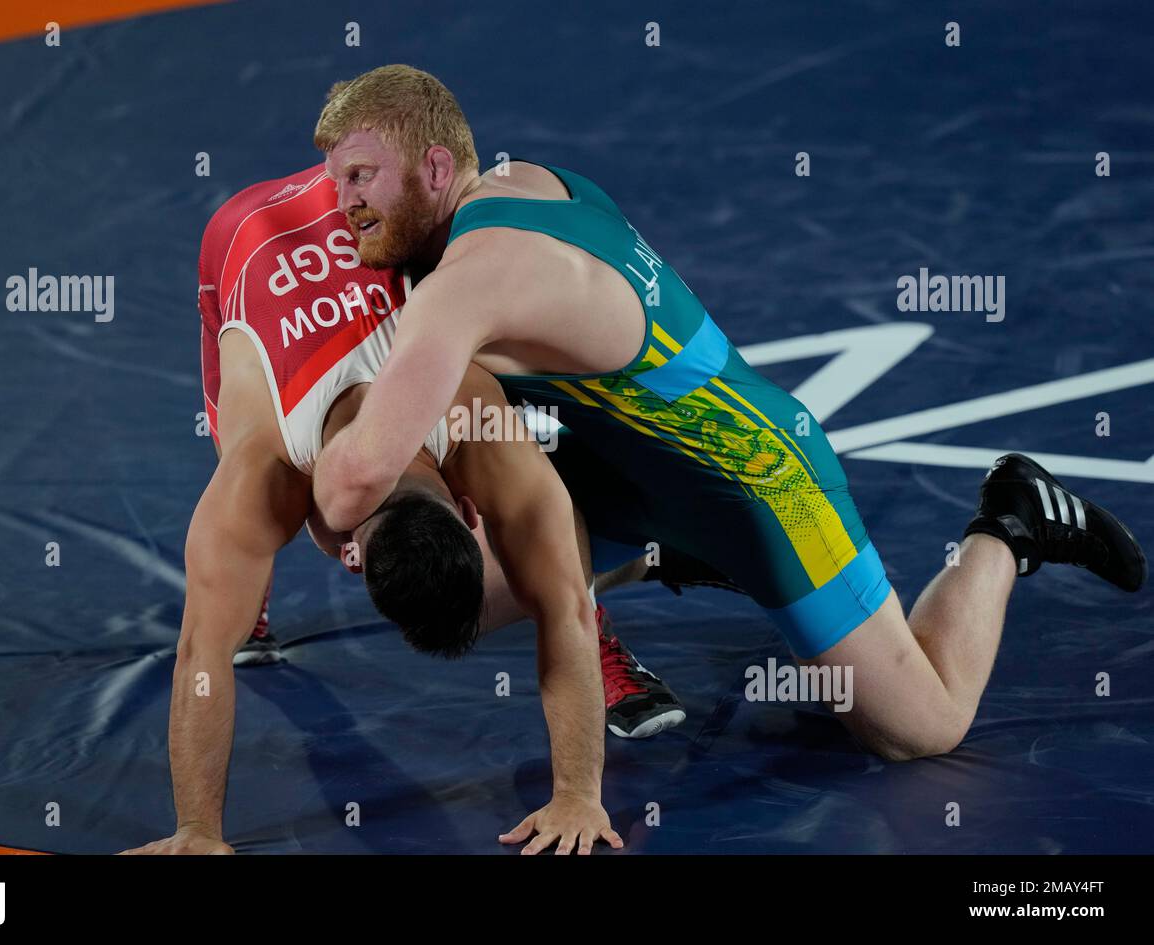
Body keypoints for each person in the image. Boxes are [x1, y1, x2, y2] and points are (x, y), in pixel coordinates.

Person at [310, 64, 1148, 766]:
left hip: (761, 482)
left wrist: (286, 452)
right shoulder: (520, 182)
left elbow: (352, 482)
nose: (340, 203)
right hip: (628, 478)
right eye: (333, 179)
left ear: (432, 168)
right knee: (452, 594)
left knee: (922, 728)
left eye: (361, 178)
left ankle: (1011, 523)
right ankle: (663, 548)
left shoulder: (469, 284)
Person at [122, 163, 684, 855]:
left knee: (553, 557)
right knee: (230, 519)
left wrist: (578, 792)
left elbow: (568, 601)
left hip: (361, 201)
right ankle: (248, 594)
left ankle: (239, 592)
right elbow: (199, 655)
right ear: (469, 512)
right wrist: (195, 829)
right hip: (239, 233)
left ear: (469, 509)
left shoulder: (473, 415)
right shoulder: (263, 468)